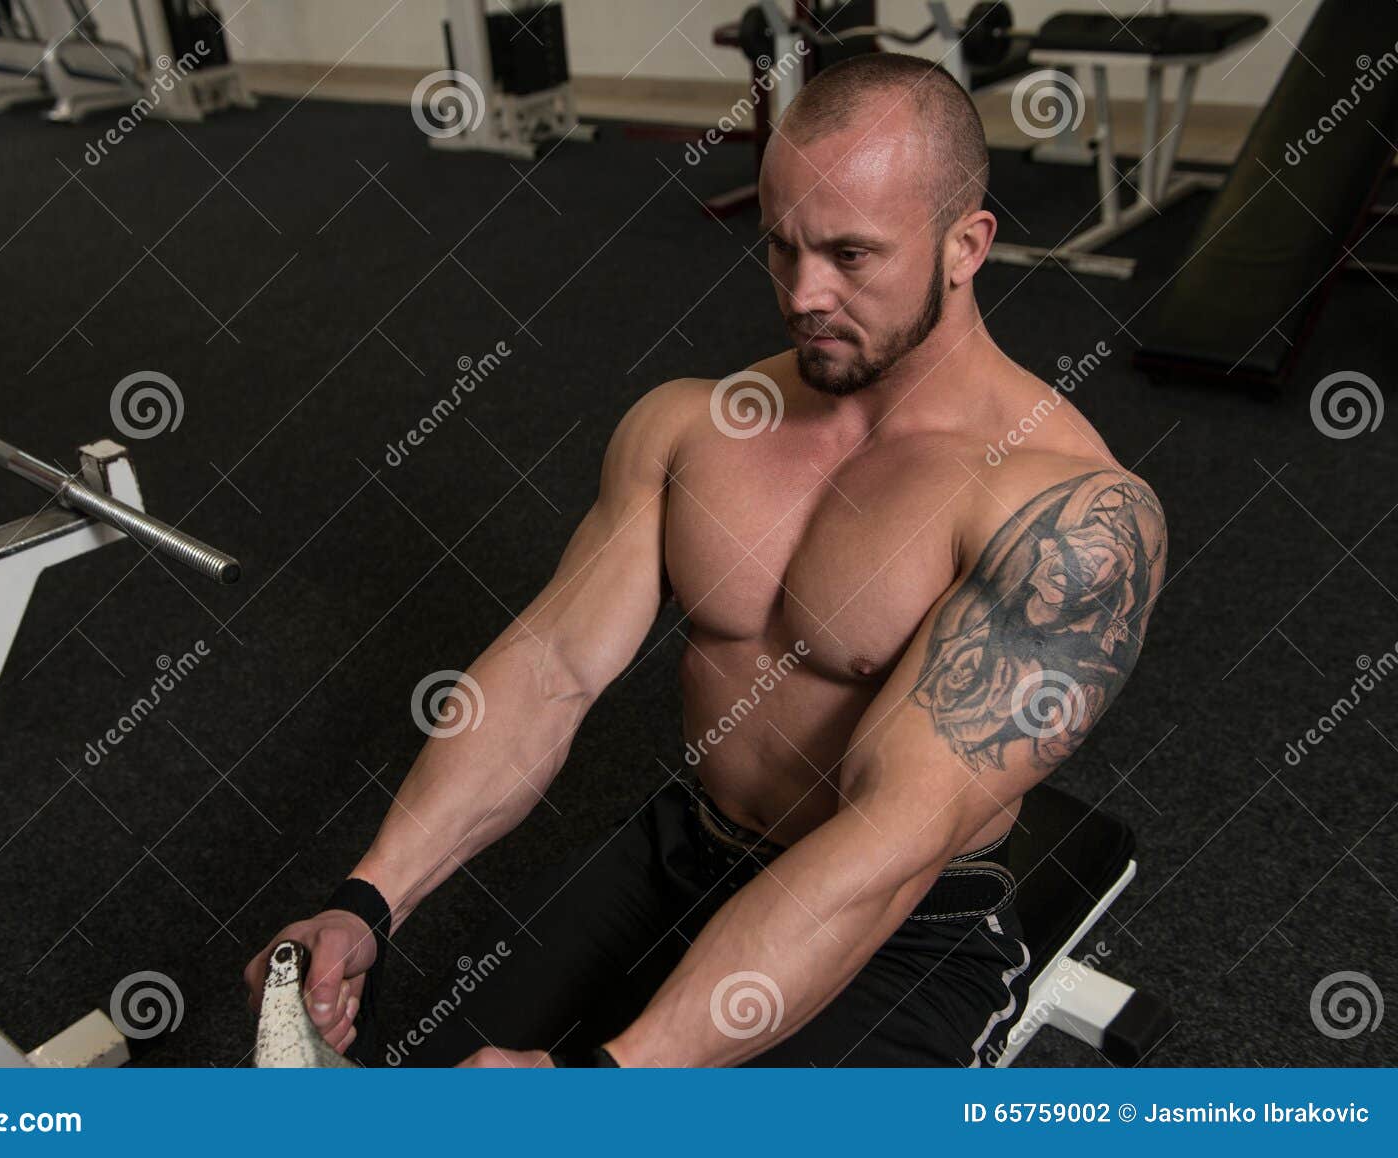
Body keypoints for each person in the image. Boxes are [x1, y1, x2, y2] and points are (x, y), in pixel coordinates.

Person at [244, 51, 1167, 1068]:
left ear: (966, 244)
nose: (804, 294)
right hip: (687, 846)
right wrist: (368, 899)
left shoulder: (1067, 513)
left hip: (907, 929)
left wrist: (610, 1082)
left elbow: (891, 843)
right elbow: (551, 668)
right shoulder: (693, 424)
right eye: (782, 248)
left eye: (851, 256)